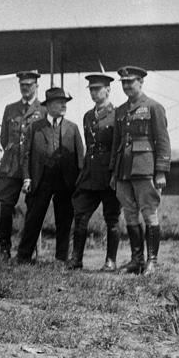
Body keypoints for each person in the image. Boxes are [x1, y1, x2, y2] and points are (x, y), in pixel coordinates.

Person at [110, 66, 170, 275]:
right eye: (124, 82)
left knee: (149, 213)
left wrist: (161, 171)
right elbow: (116, 143)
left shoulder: (154, 107)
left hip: (145, 168)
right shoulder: (120, 110)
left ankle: (152, 261)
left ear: (141, 82)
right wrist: (113, 173)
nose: (127, 86)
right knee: (130, 214)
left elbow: (162, 141)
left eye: (131, 82)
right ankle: (137, 260)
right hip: (123, 170)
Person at [15, 87, 84, 264]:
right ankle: (23, 256)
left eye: (65, 102)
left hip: (65, 181)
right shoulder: (35, 128)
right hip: (41, 179)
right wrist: (27, 177)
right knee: (34, 218)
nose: (63, 105)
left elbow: (79, 157)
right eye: (59, 102)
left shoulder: (72, 128)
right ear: (49, 105)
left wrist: (78, 183)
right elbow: (26, 154)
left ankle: (61, 258)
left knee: (64, 219)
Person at [68, 74, 121, 270]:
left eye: (97, 89)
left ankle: (111, 261)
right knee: (80, 216)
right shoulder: (88, 117)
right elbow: (89, 146)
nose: (93, 92)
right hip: (90, 175)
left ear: (108, 90)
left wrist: (115, 174)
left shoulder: (117, 115)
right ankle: (76, 259)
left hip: (108, 175)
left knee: (112, 218)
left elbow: (117, 148)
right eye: (91, 89)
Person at [0, 70, 45, 259]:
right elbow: (4, 139)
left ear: (36, 86)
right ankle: (4, 248)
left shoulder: (43, 110)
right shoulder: (10, 109)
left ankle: (28, 250)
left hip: (32, 168)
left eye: (29, 85)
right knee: (6, 207)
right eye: (22, 85)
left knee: (33, 209)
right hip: (11, 166)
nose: (25, 89)